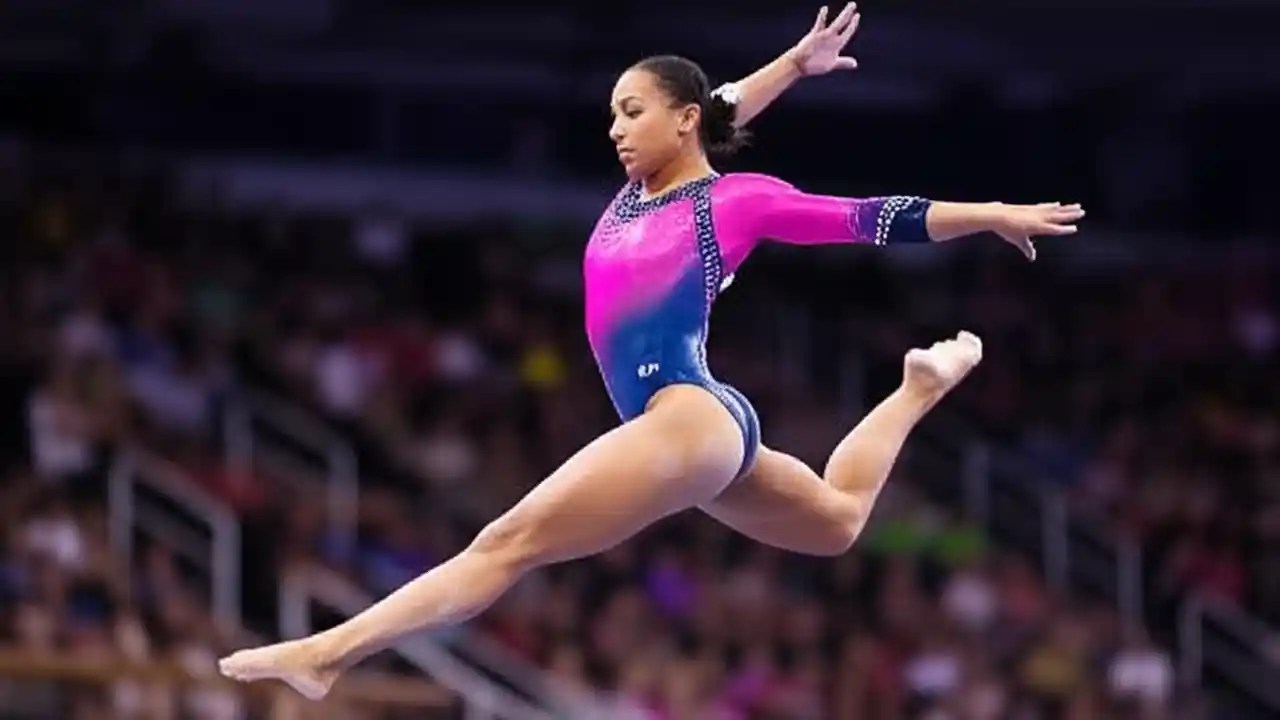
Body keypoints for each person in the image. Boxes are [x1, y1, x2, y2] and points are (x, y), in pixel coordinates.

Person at [219, 3, 1085, 699]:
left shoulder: (734, 202)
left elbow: (867, 216)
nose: (616, 131)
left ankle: (329, 652)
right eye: (610, 117)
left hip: (687, 414)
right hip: (698, 425)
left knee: (507, 544)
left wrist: (991, 214)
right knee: (838, 522)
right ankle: (917, 388)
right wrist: (793, 64)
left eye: (632, 112)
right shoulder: (635, 195)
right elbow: (722, 106)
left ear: (679, 119)